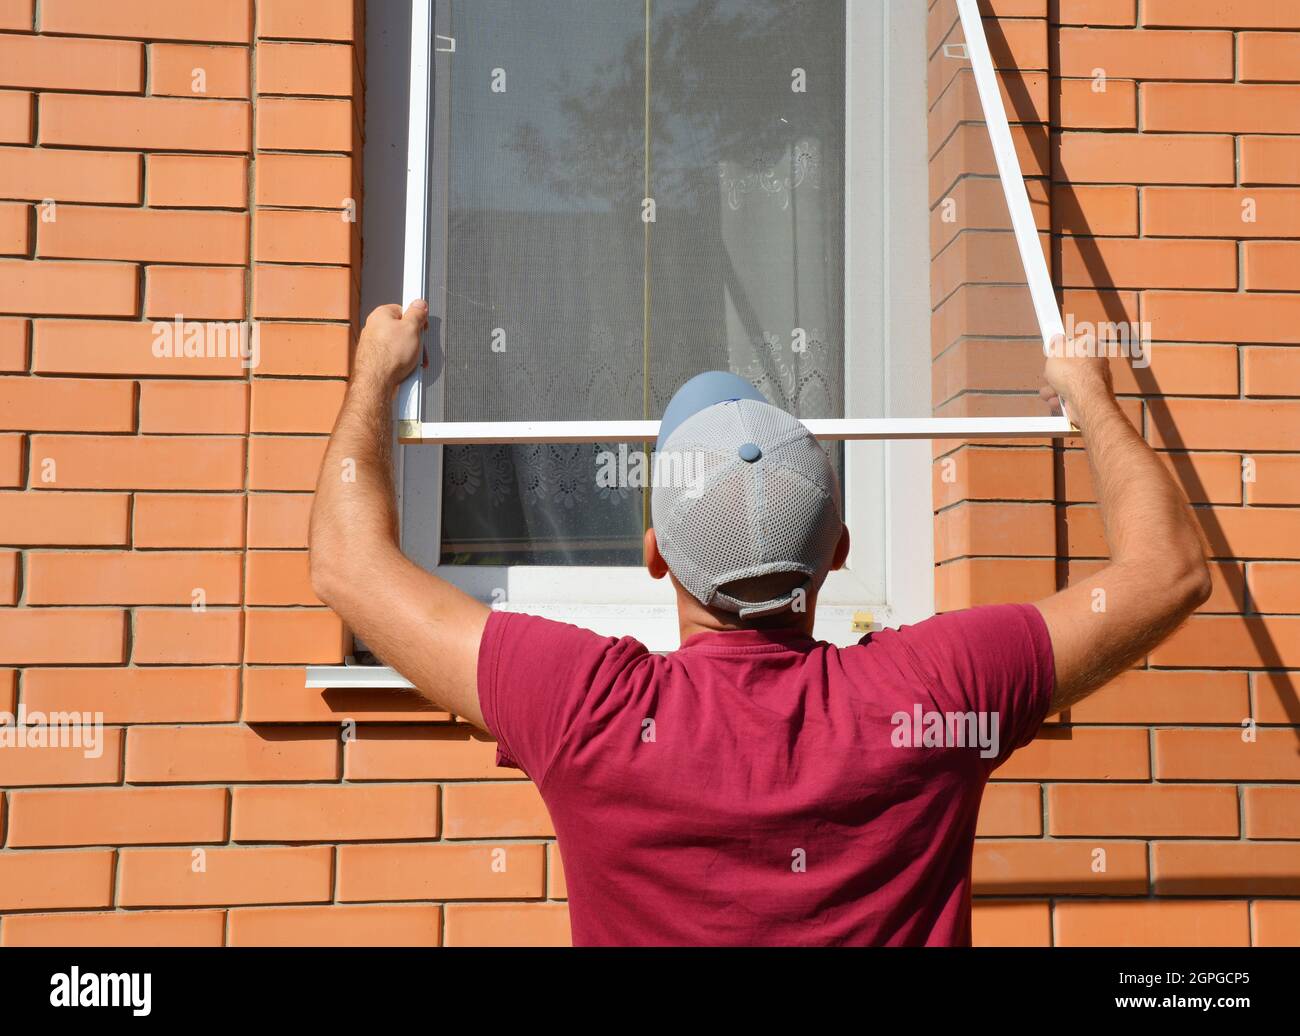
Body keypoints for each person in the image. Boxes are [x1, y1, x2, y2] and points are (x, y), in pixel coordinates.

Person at [309, 300, 1211, 946]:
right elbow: (1169, 572)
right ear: (840, 551)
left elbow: (348, 566)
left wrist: (375, 378)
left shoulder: (586, 709)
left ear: (654, 555)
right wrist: (1089, 397)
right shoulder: (935, 694)